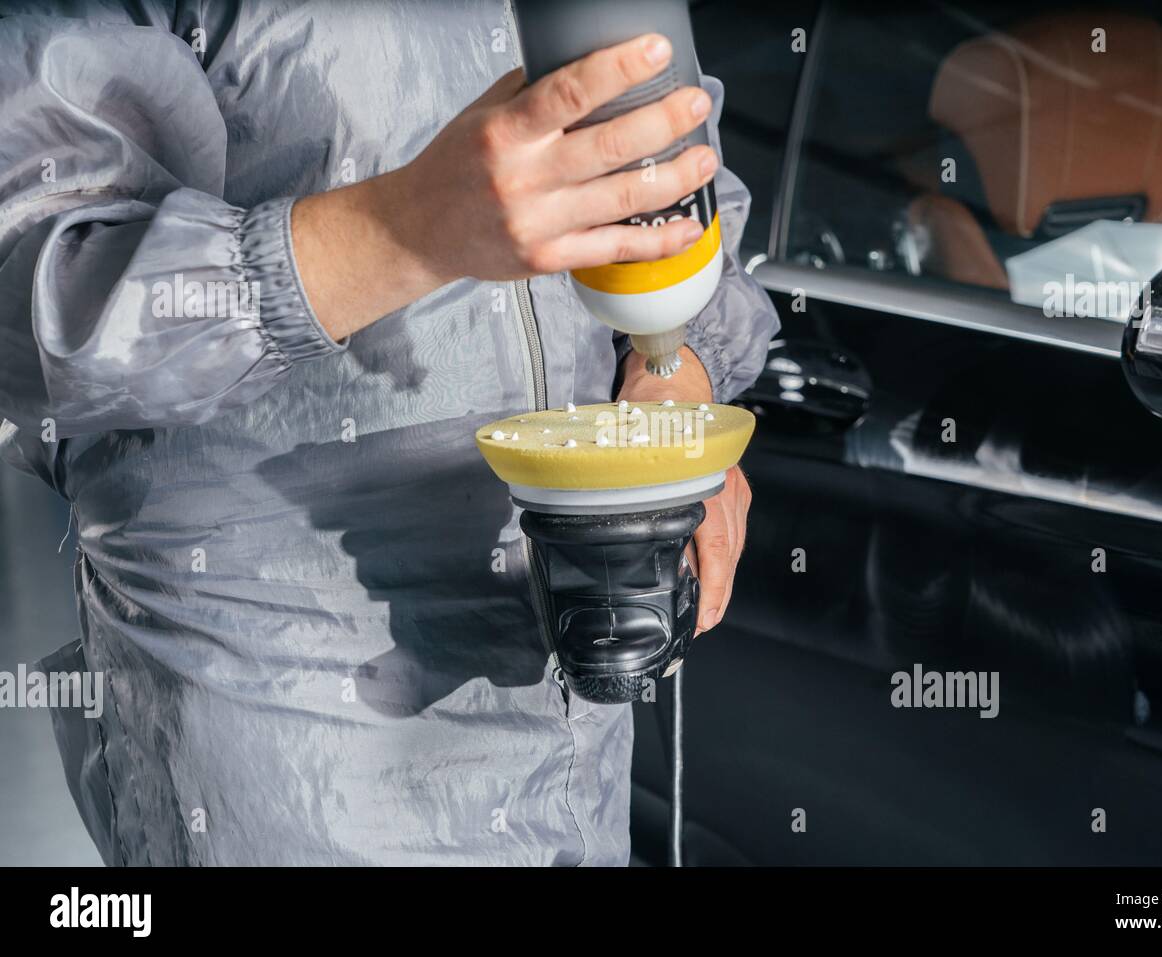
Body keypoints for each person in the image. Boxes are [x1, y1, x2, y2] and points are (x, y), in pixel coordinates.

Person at [0, 2, 778, 865]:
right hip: (288, 746)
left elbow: (683, 195)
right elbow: (30, 314)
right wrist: (401, 228)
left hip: (568, 750)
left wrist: (673, 380)